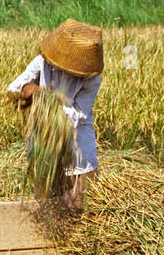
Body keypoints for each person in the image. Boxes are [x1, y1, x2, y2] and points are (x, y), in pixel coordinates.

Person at [7, 18, 104, 209]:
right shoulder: (42, 62)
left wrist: (45, 100)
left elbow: (76, 116)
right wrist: (28, 88)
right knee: (45, 205)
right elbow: (14, 87)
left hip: (77, 150)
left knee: (77, 204)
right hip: (43, 148)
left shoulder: (91, 79)